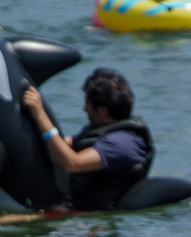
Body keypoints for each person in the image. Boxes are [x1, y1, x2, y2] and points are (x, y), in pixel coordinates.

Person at [18, 68, 153, 211]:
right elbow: (62, 145)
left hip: (92, 214)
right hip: (76, 205)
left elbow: (73, 163)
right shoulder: (101, 130)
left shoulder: (122, 144)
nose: (84, 109)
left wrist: (40, 115)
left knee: (8, 220)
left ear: (102, 110)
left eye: (87, 103)